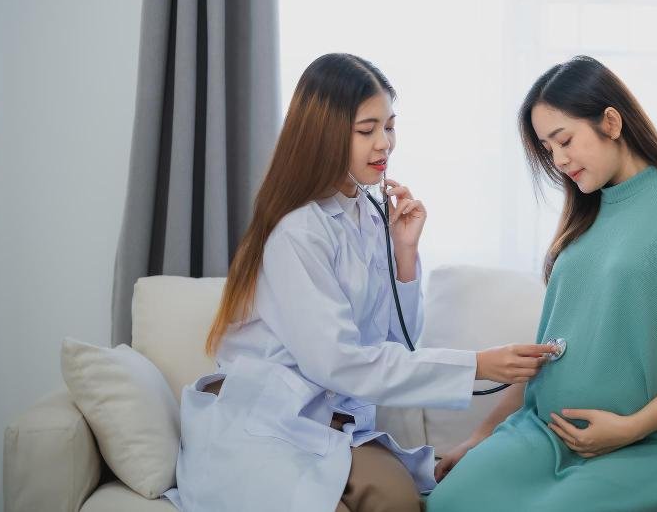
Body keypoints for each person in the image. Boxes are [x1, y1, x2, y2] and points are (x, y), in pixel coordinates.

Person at [167, 53, 556, 512]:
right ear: (325, 134)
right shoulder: (298, 232)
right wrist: (478, 365)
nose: (384, 144)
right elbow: (343, 363)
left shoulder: (368, 215)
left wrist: (405, 254)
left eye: (389, 126)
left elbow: (398, 342)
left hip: (327, 425)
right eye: (366, 129)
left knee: (400, 499)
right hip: (266, 425)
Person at [427, 55, 657, 512]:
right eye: (547, 149)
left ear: (611, 122)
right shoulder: (581, 224)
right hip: (543, 433)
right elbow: (553, 353)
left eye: (564, 140)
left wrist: (632, 426)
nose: (558, 160)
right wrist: (482, 436)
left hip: (651, 445)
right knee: (447, 503)